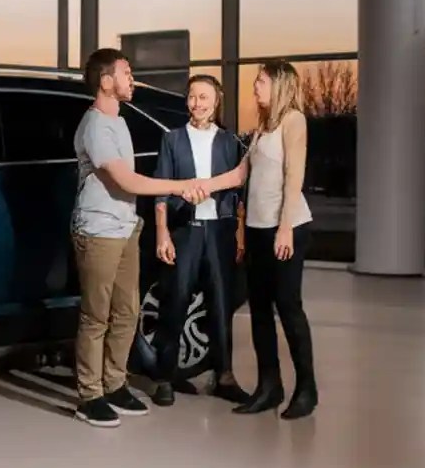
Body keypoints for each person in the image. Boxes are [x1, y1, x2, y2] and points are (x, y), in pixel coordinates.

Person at [71, 48, 206, 428]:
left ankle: (115, 385)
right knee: (96, 316)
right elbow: (126, 181)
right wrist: (179, 186)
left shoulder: (121, 123)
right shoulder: (96, 125)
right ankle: (89, 395)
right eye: (126, 72)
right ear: (105, 80)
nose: (132, 79)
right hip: (98, 230)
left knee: (127, 312)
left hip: (126, 227)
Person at [201, 60, 317, 420]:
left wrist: (285, 228)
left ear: (280, 84)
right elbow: (240, 175)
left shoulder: (293, 120)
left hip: (286, 227)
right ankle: (270, 387)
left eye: (261, 81)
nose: (255, 87)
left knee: (288, 306)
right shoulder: (262, 127)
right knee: (260, 310)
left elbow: (293, 176)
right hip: (256, 227)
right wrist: (204, 186)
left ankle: (306, 389)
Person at [149, 74, 251, 408]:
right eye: (192, 96)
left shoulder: (229, 141)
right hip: (185, 230)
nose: (197, 103)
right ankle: (166, 376)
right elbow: (161, 189)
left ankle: (224, 376)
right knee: (174, 300)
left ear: (216, 100)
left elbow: (237, 195)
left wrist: (238, 233)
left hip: (220, 231)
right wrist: (162, 232)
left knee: (221, 304)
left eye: (204, 97)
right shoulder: (173, 140)